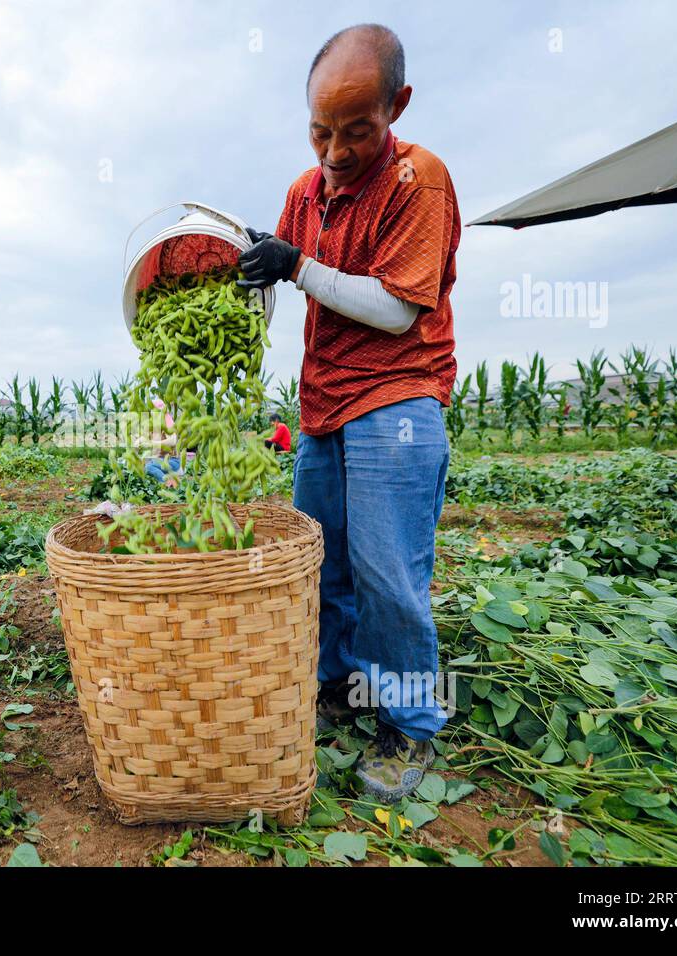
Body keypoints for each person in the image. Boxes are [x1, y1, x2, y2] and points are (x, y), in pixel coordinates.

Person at [237, 24, 459, 803]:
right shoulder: (305, 191)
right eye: (320, 131)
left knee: (387, 571)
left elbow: (397, 310)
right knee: (319, 560)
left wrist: (296, 264)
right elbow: (280, 278)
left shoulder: (416, 181)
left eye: (356, 130)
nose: (334, 151)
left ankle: (410, 725)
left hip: (397, 399)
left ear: (396, 106)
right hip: (324, 402)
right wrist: (252, 281)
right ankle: (336, 687)